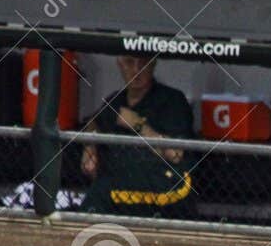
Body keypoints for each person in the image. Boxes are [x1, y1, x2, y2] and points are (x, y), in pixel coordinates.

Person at [80, 55, 196, 217]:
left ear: (153, 64)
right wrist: (90, 147)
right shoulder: (115, 100)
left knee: (103, 189)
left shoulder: (171, 100)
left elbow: (175, 154)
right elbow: (93, 121)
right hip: (115, 183)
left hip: (160, 186)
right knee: (99, 192)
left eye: (142, 63)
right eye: (129, 62)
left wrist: (138, 124)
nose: (136, 70)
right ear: (120, 64)